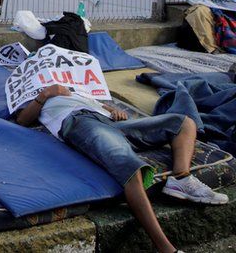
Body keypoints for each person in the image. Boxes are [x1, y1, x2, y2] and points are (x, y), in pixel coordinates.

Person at [16, 85, 228, 253]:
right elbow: (22, 119)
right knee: (127, 164)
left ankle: (180, 178)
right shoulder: (40, 94)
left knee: (183, 122)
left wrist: (112, 110)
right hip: (79, 123)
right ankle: (166, 248)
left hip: (109, 122)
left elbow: (103, 107)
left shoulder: (78, 91)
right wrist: (45, 94)